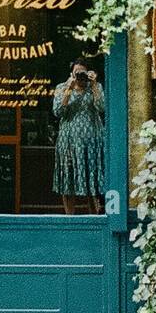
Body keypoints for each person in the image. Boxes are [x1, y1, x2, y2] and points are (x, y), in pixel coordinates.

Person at [52, 59, 105, 215]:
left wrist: (94, 84)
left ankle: (94, 218)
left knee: (92, 182)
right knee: (68, 180)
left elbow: (101, 107)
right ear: (72, 74)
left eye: (83, 73)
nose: (80, 77)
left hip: (91, 143)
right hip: (68, 142)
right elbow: (58, 111)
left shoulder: (95, 87)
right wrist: (70, 87)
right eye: (77, 73)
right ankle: (70, 219)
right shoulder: (62, 87)